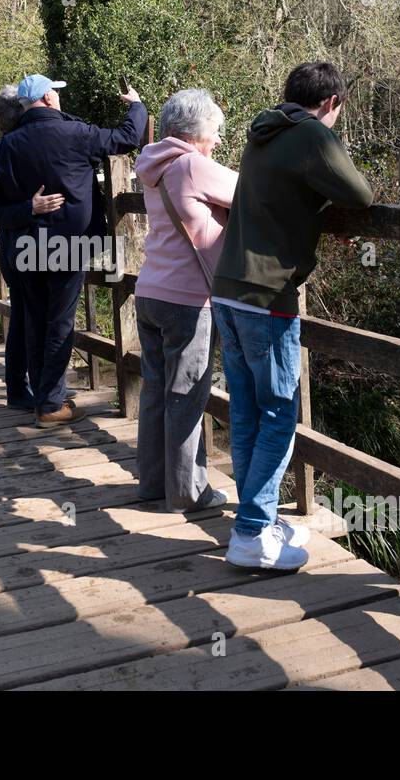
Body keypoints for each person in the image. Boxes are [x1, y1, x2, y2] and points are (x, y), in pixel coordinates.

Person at [212, 61, 373, 570]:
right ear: (330, 103)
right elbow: (362, 194)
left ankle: (255, 519)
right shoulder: (310, 135)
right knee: (280, 414)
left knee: (246, 412)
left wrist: (318, 214)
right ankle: (252, 533)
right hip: (268, 296)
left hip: (229, 290)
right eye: (339, 112)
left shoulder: (262, 132)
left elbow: (282, 200)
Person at [0, 73, 147, 427]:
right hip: (69, 245)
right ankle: (50, 403)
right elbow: (127, 137)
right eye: (55, 94)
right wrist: (136, 105)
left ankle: (45, 397)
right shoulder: (76, 134)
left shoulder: (9, 143)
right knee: (58, 324)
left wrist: (24, 203)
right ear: (46, 99)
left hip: (28, 243)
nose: (59, 99)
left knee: (35, 321)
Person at [132, 89, 238, 513]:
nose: (216, 141)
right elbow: (252, 191)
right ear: (195, 133)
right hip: (188, 299)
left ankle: (153, 484)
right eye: (214, 132)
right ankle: (188, 492)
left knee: (156, 390)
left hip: (150, 291)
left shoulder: (153, 164)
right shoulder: (193, 165)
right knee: (187, 395)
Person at [0, 85, 65, 410]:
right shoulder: (10, 149)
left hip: (17, 247)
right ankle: (40, 395)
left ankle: (20, 390)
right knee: (34, 318)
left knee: (25, 317)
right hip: (22, 248)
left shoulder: (12, 149)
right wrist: (31, 208)